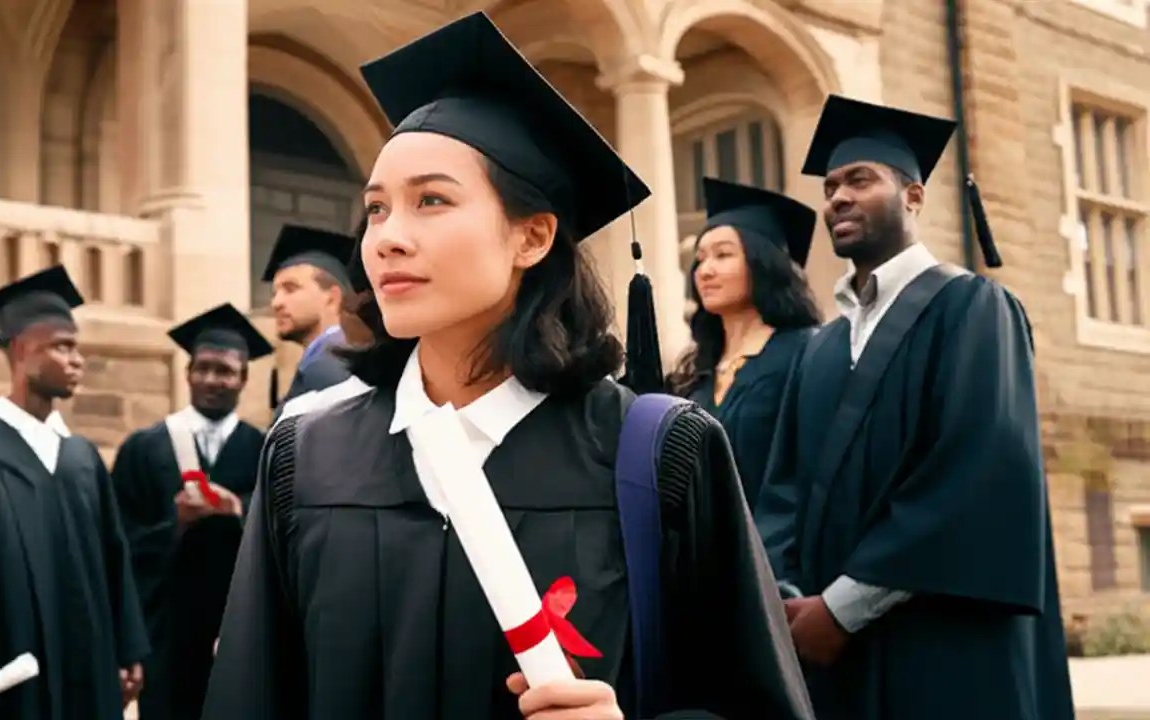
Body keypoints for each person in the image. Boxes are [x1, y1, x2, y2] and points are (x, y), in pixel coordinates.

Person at [201, 12, 812, 720]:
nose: (387, 238)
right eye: (376, 209)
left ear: (532, 237)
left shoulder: (657, 454)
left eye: (431, 200)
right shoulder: (306, 457)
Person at [754, 94, 1074, 719]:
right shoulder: (820, 348)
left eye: (860, 180)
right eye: (830, 187)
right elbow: (782, 489)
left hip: (938, 643)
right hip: (825, 654)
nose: (838, 198)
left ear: (914, 196)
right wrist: (787, 597)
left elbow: (974, 472)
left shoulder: (972, 308)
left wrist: (842, 608)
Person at [0, 265, 149, 720]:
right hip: (14, 667)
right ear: (20, 350)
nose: (77, 360)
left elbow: (114, 560)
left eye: (76, 347)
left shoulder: (82, 455)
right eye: (62, 346)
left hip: (91, 662)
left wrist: (128, 647)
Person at [110, 303, 272, 720]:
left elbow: (284, 531)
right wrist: (174, 524)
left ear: (243, 378)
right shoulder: (144, 448)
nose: (212, 380)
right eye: (203, 368)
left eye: (225, 371)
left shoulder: (265, 449)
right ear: (187, 373)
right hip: (165, 630)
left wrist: (239, 509)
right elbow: (117, 540)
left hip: (235, 629)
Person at [666, 178, 821, 506]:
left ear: (763, 263)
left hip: (775, 534)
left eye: (723, 255)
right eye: (700, 258)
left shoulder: (805, 353)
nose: (705, 270)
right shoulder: (696, 370)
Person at [264, 224, 358, 415]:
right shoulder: (320, 363)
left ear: (332, 297)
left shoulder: (335, 368)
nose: (276, 303)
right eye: (274, 293)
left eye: (290, 289)